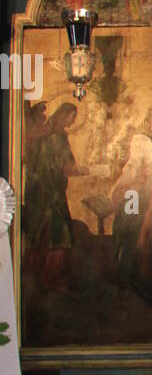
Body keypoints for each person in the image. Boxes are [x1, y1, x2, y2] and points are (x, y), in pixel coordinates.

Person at [23, 103, 88, 289]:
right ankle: (53, 278)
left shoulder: (45, 135)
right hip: (51, 195)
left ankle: (39, 277)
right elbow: (65, 166)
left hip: (40, 193)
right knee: (60, 233)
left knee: (43, 232)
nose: (73, 121)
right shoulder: (57, 138)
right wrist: (86, 170)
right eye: (72, 116)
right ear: (63, 114)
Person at [110, 134, 152, 297]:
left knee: (145, 248)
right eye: (135, 148)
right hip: (129, 220)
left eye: (141, 148)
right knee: (128, 248)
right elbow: (117, 194)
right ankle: (127, 281)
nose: (137, 152)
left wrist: (147, 222)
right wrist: (131, 187)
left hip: (148, 221)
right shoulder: (130, 169)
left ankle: (146, 284)